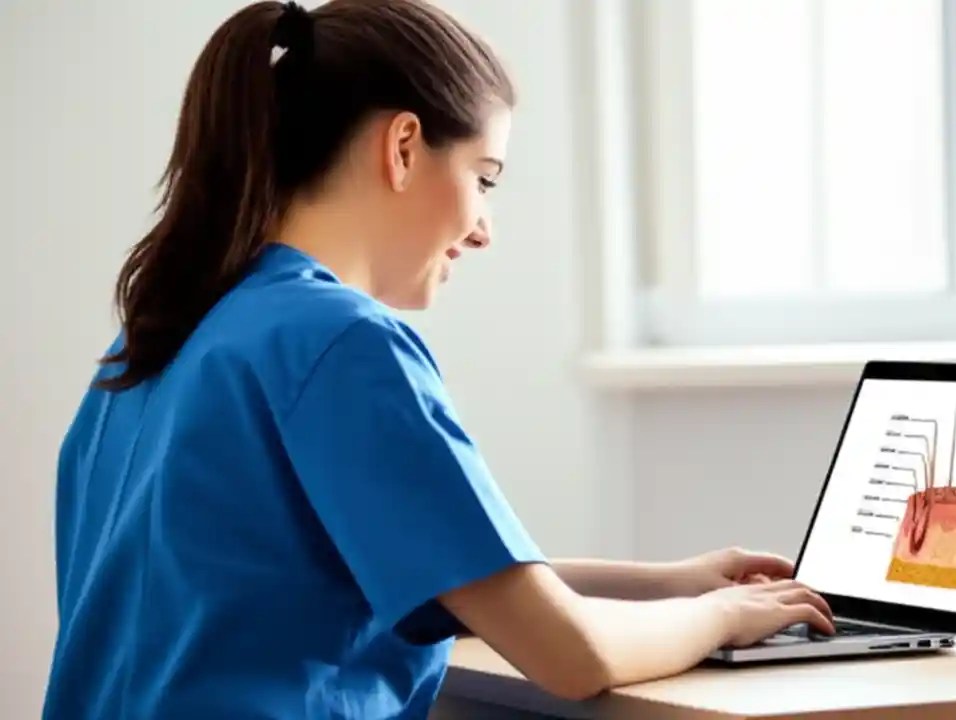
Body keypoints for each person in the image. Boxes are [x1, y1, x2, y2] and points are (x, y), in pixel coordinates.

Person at [42, 1, 835, 718]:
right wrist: (726, 617)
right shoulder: (340, 341)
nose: (484, 229)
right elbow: (570, 656)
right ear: (404, 145)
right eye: (483, 179)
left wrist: (667, 583)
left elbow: (419, 569)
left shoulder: (162, 337)